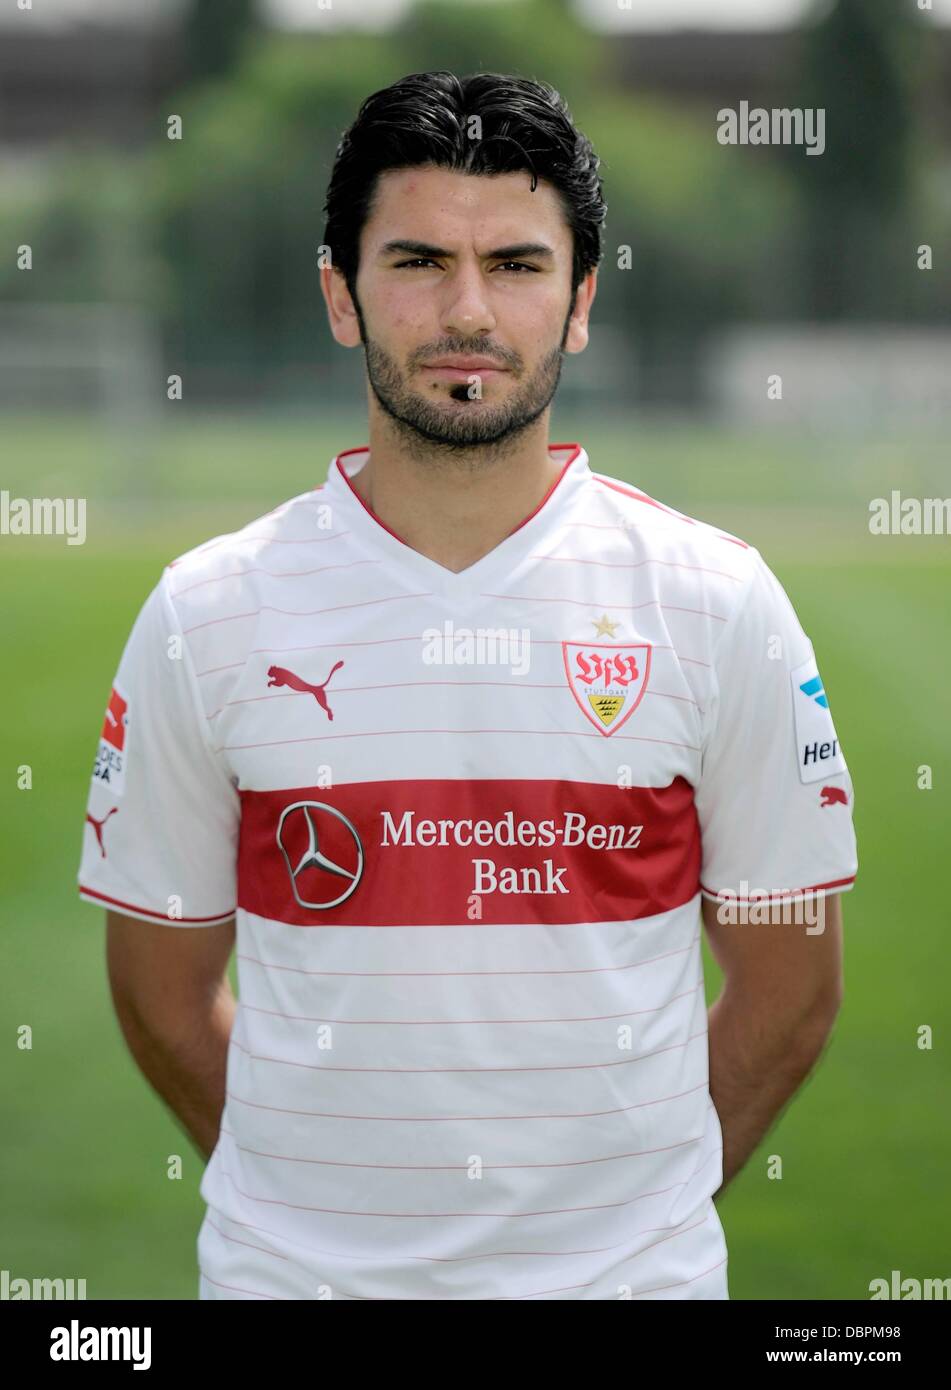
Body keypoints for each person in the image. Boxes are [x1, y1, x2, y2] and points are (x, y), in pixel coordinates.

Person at [77, 70, 858, 1301]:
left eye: (518, 265)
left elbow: (792, 989)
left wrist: (625, 1233)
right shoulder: (206, 612)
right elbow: (159, 991)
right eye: (417, 260)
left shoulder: (717, 602)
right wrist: (311, 1227)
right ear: (341, 295)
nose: (467, 309)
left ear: (582, 300)